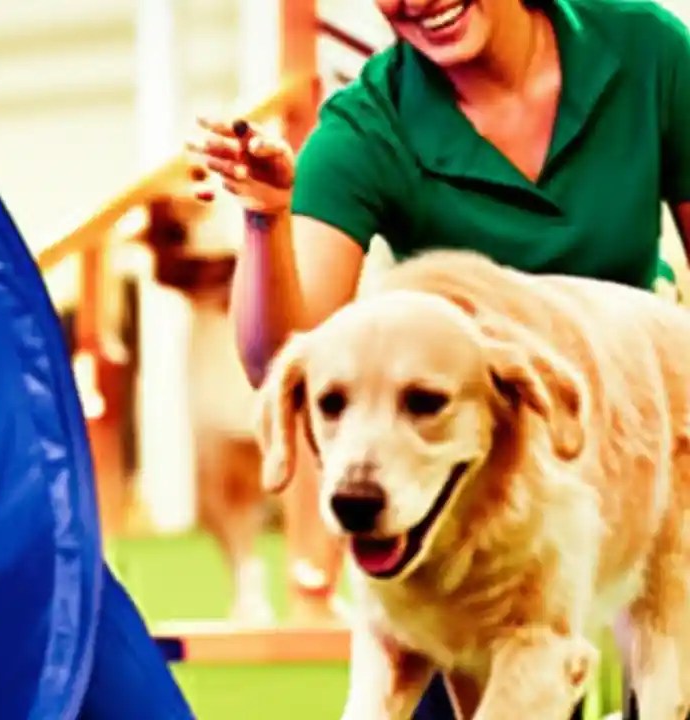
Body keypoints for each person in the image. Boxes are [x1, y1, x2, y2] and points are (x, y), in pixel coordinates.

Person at [186, 0, 690, 715]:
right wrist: (267, 216)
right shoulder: (367, 124)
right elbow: (283, 360)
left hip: (627, 422)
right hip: (462, 487)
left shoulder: (648, 51)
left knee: (664, 682)